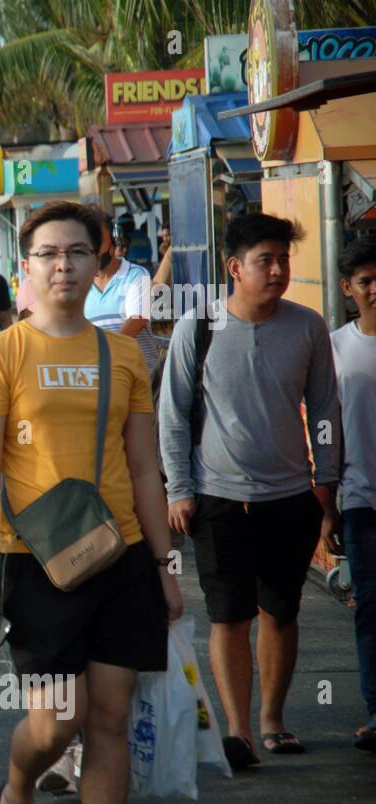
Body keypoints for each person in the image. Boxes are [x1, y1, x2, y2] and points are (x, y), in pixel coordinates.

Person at [0, 201, 181, 804]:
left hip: (122, 554)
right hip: (38, 561)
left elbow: (146, 467)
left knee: (110, 720)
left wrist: (167, 568)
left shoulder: (124, 354)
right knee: (56, 723)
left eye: (77, 252)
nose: (63, 264)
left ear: (98, 260)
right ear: (25, 267)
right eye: (49, 254)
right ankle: (18, 785)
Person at [162, 213, 339, 768]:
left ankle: (272, 721)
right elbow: (171, 416)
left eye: (284, 260)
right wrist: (179, 490)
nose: (279, 270)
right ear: (234, 268)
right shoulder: (198, 326)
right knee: (228, 616)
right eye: (266, 260)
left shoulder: (307, 327)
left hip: (291, 498)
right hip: (217, 497)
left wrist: (325, 489)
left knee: (281, 613)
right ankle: (237, 730)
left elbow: (327, 413)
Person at [333, 237, 376, 751]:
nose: (374, 289)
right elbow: (325, 429)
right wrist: (326, 506)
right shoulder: (334, 347)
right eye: (364, 282)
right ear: (348, 289)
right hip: (361, 499)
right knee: (370, 607)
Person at [87, 213, 160, 373]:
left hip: (140, 378)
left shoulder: (137, 275)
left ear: (114, 242)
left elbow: (136, 321)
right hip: (101, 381)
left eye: (98, 241)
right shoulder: (80, 284)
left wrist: (97, 357)